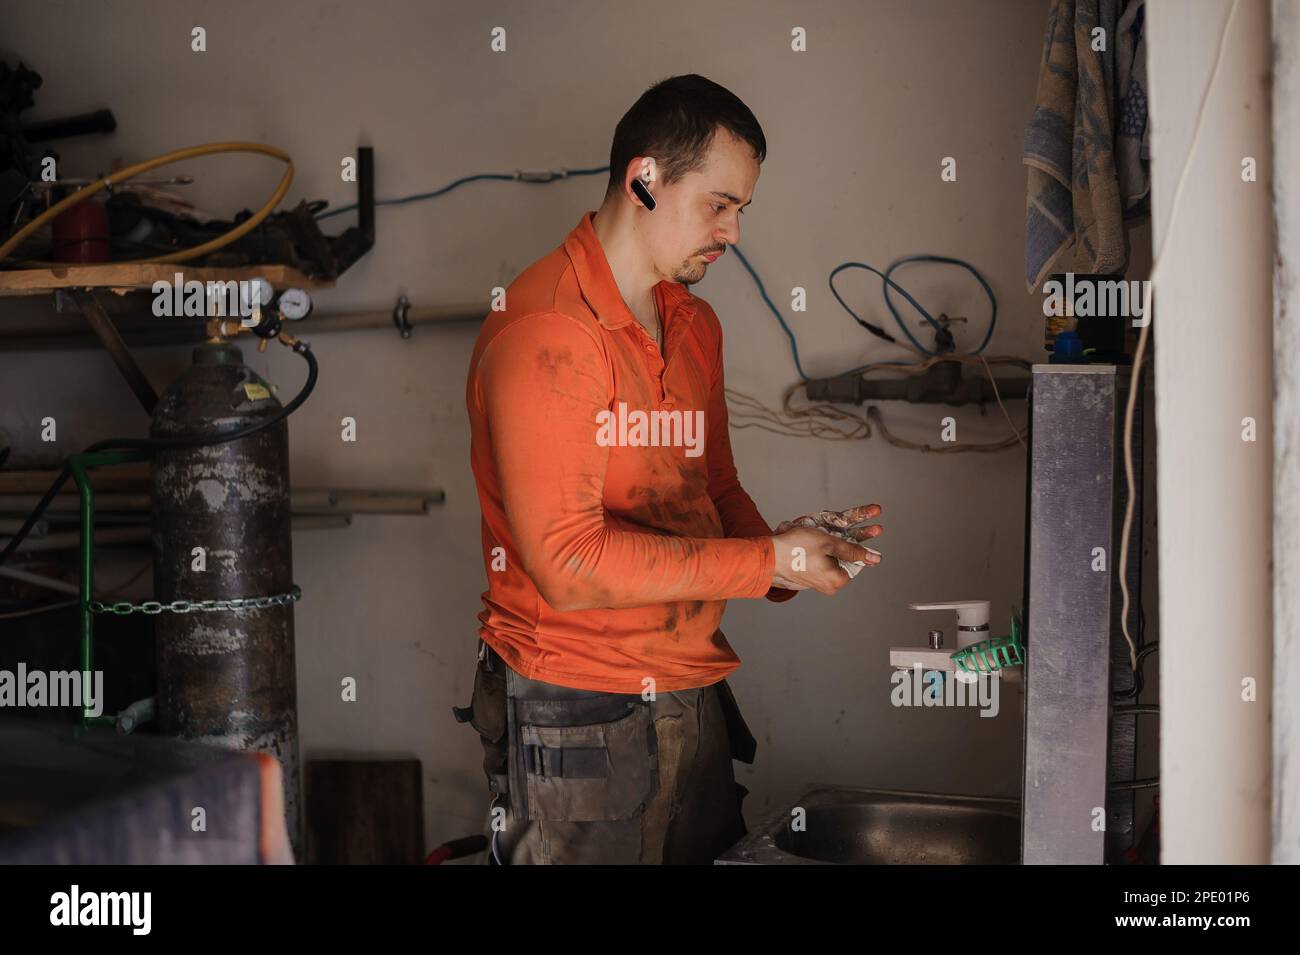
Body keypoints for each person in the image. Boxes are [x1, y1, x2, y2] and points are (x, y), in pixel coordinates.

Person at [458, 73, 883, 864]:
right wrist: (763, 562)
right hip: (576, 704)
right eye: (718, 204)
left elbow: (712, 488)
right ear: (644, 181)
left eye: (741, 210)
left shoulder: (693, 322)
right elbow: (570, 563)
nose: (733, 232)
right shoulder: (550, 328)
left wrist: (786, 553)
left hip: (689, 686)